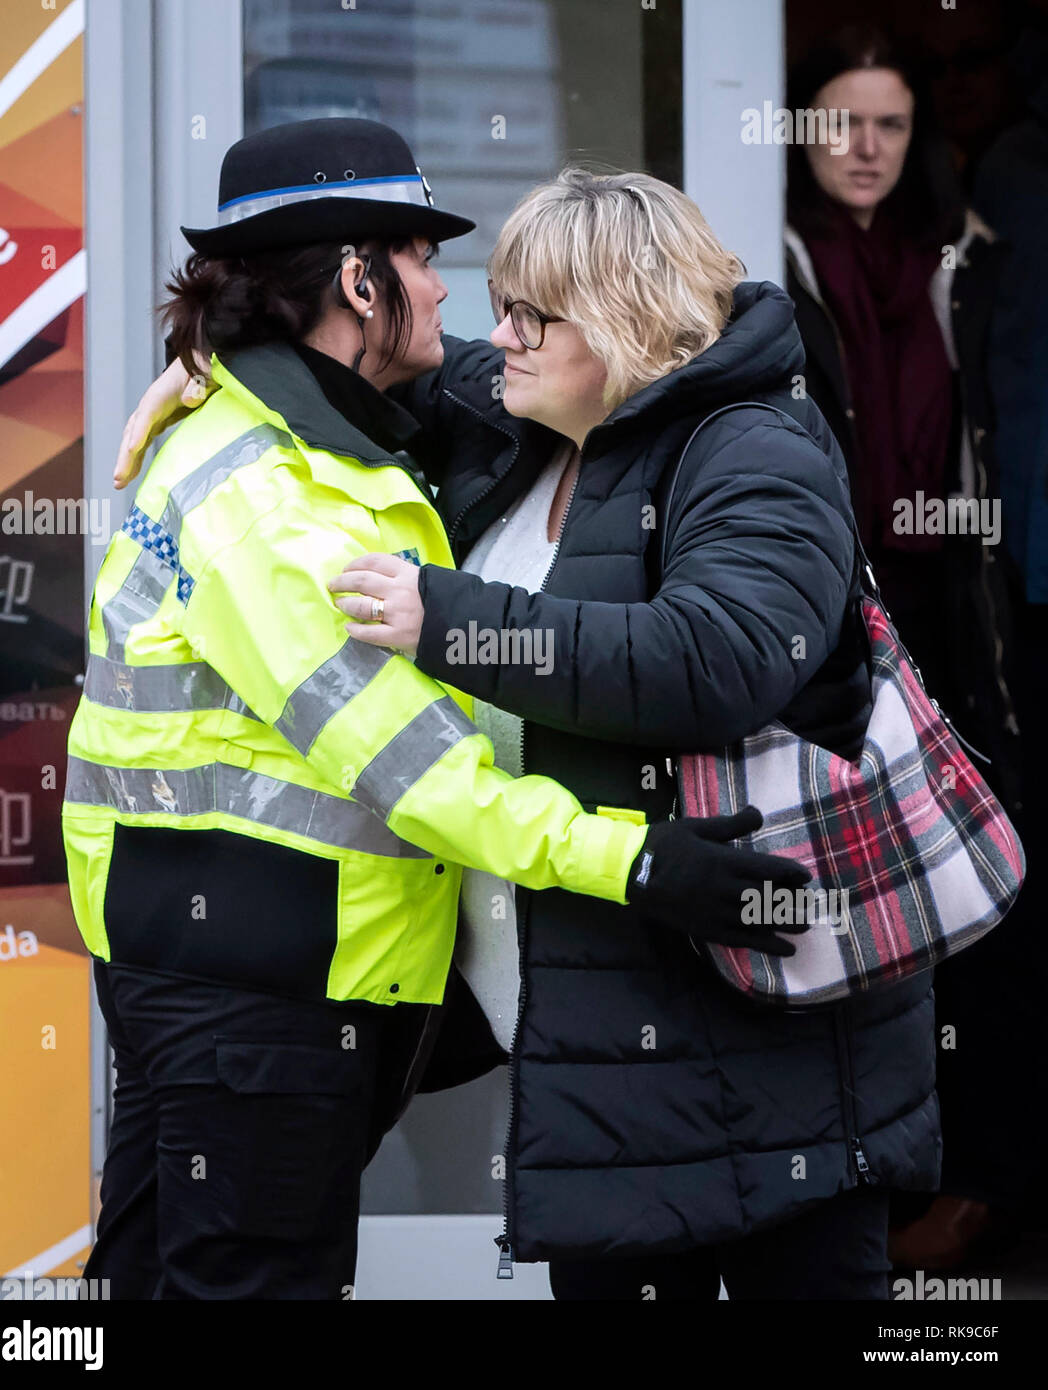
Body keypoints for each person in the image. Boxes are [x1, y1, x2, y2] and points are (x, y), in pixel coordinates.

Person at [123, 163, 942, 1300]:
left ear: (621, 320)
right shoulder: (522, 425)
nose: (493, 333)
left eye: (528, 313)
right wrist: (219, 363)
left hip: (758, 1052)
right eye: (494, 299)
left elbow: (721, 654)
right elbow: (354, 362)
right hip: (600, 1065)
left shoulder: (754, 447)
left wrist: (452, 618)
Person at [783, 25, 1029, 1270]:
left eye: (887, 123)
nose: (864, 147)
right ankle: (854, 1191)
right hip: (829, 620)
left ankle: (968, 1179)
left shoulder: (957, 261)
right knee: (842, 902)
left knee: (970, 901)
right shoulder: (776, 264)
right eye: (840, 122)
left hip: (947, 618)